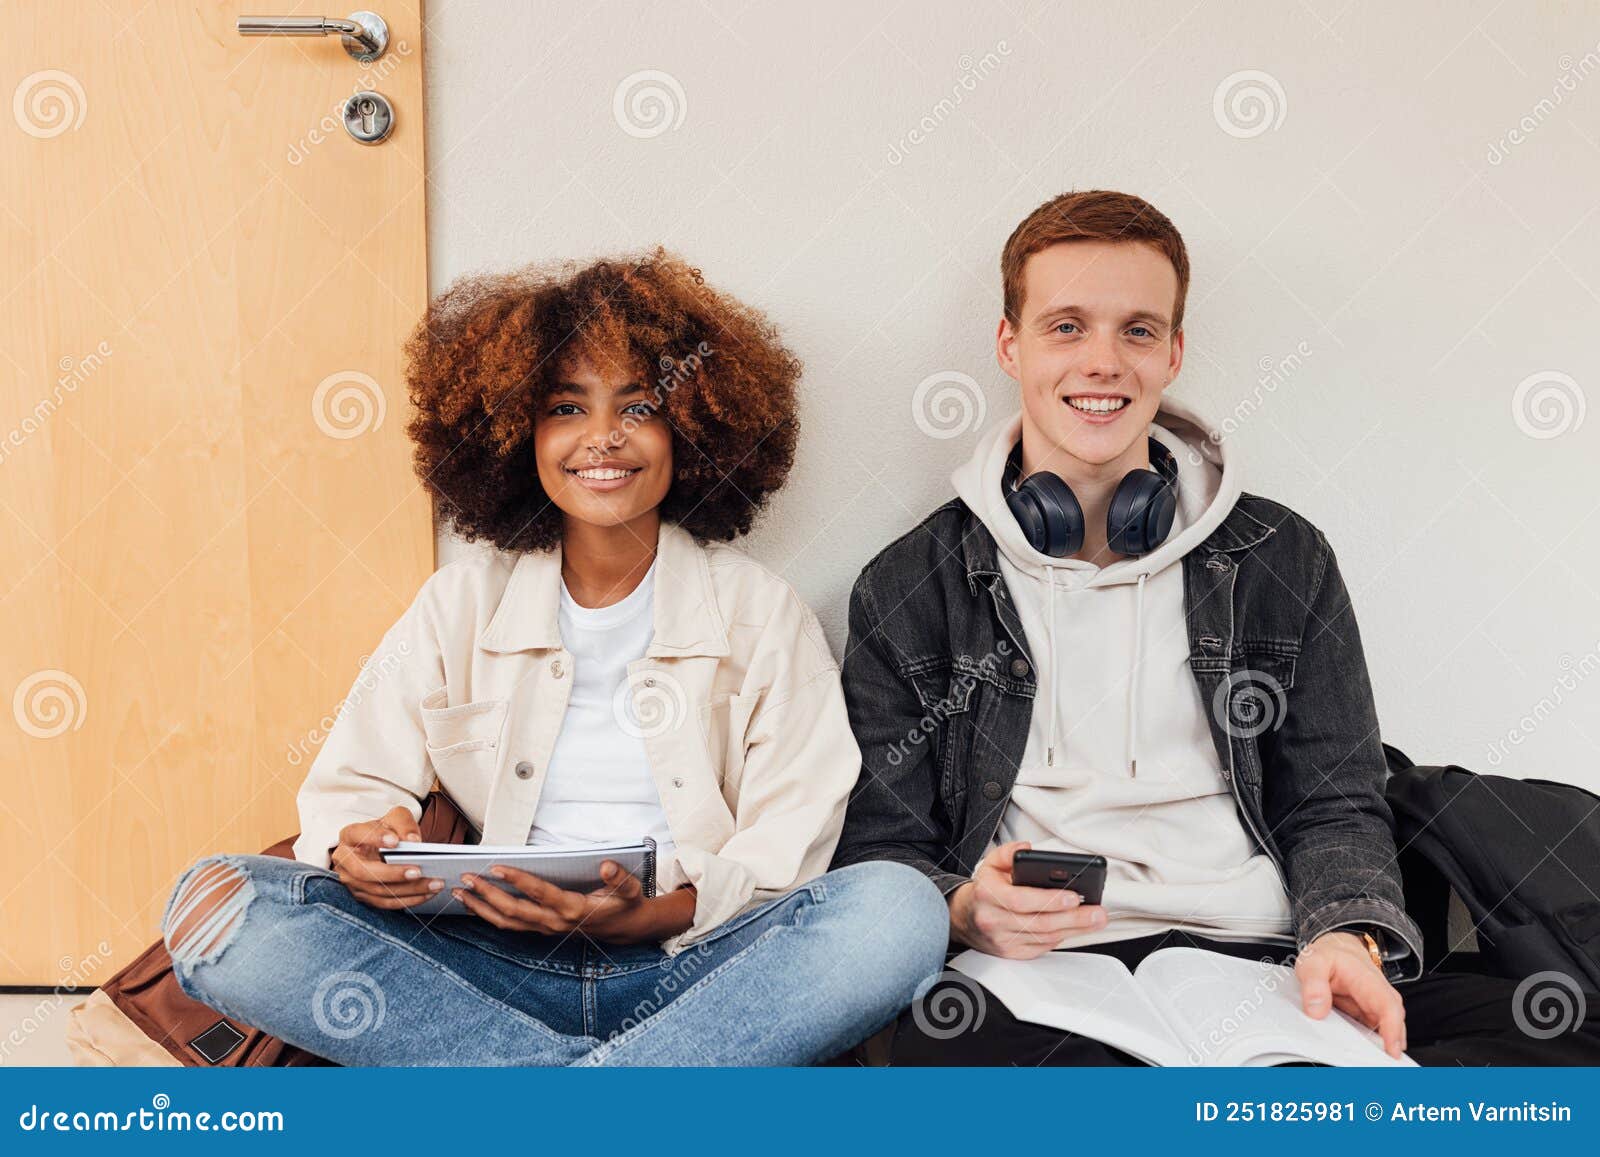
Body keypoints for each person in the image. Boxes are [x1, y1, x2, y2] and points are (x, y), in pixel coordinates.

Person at [831, 189, 1600, 1065]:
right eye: (1067, 327)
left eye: (1138, 330)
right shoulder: (911, 583)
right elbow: (883, 848)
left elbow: (1334, 799)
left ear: (1175, 352)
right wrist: (964, 907)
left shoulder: (1282, 555)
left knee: (1556, 1040)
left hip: (1265, 956)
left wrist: (1348, 934)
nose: (1104, 362)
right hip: (1037, 974)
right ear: (1010, 344)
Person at [162, 249, 948, 1066]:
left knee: (900, 910)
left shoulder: (760, 611)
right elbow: (350, 789)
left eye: (638, 405)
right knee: (220, 901)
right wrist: (360, 845)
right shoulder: (459, 605)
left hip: (699, 967)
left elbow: (791, 838)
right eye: (566, 407)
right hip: (485, 970)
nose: (602, 437)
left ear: (691, 426)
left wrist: (651, 912)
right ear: (516, 433)